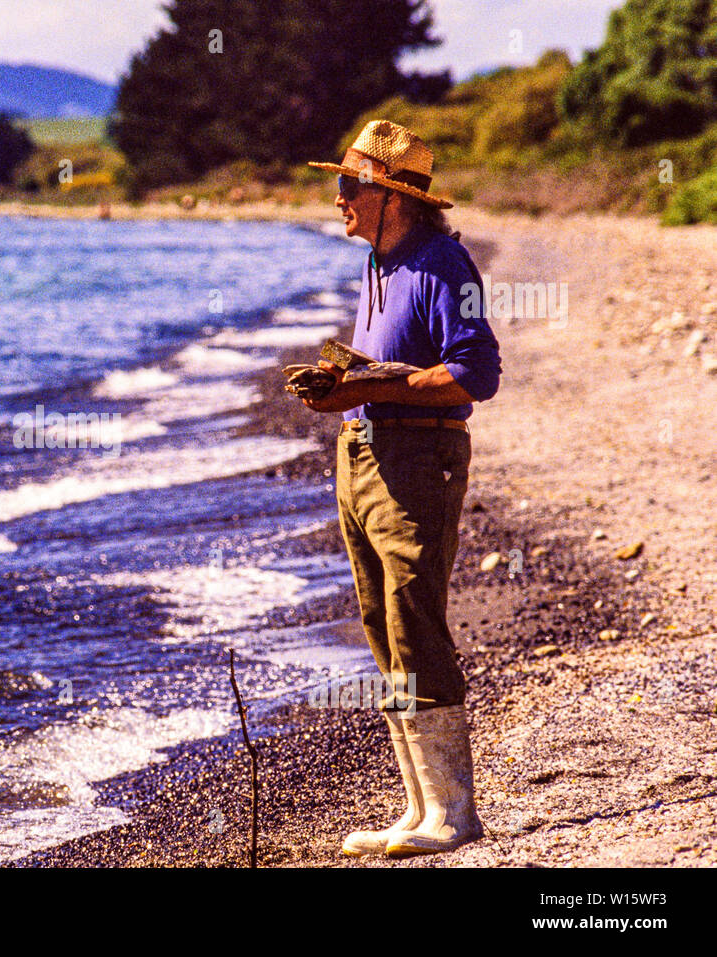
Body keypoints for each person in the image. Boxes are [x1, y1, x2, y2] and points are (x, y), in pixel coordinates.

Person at [303, 119, 502, 857]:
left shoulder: (445, 263)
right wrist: (344, 386)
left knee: (415, 620)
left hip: (418, 457)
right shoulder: (380, 261)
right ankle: (419, 809)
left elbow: (476, 372)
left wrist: (372, 390)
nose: (338, 198)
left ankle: (454, 814)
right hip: (360, 454)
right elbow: (393, 362)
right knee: (382, 628)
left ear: (393, 196)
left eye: (350, 185)